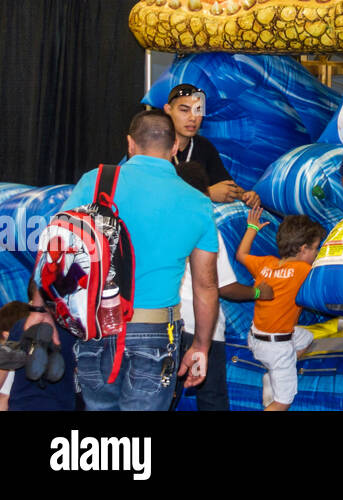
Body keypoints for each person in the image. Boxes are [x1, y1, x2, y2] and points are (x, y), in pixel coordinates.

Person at [63, 109, 220, 410]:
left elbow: (60, 248)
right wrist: (201, 345)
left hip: (97, 326)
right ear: (175, 148)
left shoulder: (95, 182)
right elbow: (206, 285)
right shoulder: (198, 202)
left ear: (130, 144)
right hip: (156, 331)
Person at [173, 161, 271, 411]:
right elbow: (223, 286)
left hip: (167, 324)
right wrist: (259, 292)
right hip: (200, 328)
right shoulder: (205, 226)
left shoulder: (164, 224)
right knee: (212, 398)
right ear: (203, 194)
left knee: (164, 393)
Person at [236, 207, 323, 411]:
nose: (317, 253)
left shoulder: (265, 264)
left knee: (306, 338)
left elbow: (241, 255)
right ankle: (277, 374)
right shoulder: (303, 270)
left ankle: (273, 374)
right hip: (277, 347)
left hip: (256, 337)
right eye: (316, 248)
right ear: (303, 249)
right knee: (283, 402)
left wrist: (251, 228)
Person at [163, 83, 259, 207]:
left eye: (198, 110)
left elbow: (225, 185)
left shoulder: (204, 146)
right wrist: (207, 193)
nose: (193, 118)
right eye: (184, 110)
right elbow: (155, 194)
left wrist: (246, 195)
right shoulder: (156, 144)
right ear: (168, 110)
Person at [3, 282, 77, 411]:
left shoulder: (21, 326)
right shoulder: (73, 330)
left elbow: (3, 370)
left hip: (20, 405)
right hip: (58, 405)